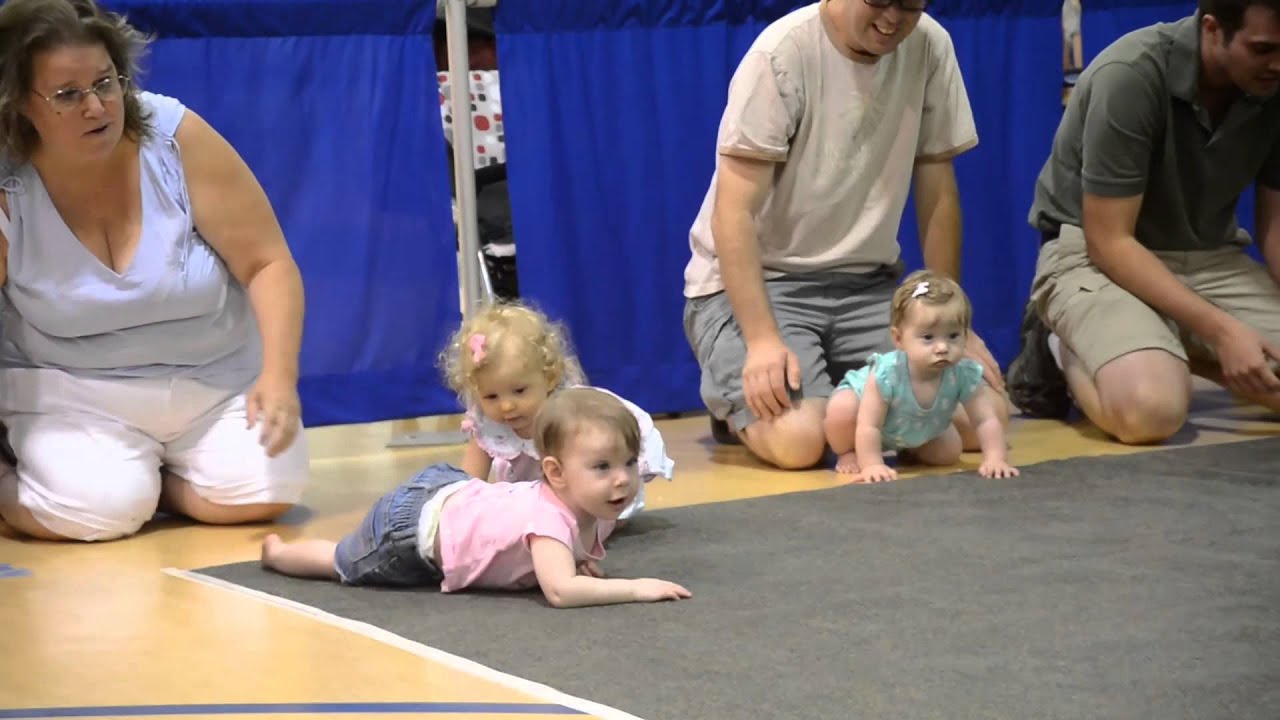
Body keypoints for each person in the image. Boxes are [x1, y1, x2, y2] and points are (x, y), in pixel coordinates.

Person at [0, 0, 310, 541]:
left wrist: (279, 378)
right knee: (93, 515)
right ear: (21, 104)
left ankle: (154, 486)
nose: (96, 107)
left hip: (212, 383)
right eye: (67, 94)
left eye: (105, 83)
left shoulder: (174, 135)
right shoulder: (8, 178)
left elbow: (268, 263)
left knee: (269, 491)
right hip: (71, 393)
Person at [681, 0, 1008, 471]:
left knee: (979, 420)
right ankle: (740, 409)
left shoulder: (931, 44)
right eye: (879, 2)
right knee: (801, 442)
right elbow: (733, 214)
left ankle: (838, 393)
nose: (892, 18)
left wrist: (949, 324)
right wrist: (762, 341)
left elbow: (938, 192)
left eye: (910, 6)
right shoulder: (783, 52)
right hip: (762, 285)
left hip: (866, 284)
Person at [1008, 0, 1280, 445]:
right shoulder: (1131, 73)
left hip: (1209, 259)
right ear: (1213, 29)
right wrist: (1223, 330)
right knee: (1150, 413)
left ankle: (1173, 344)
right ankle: (1056, 346)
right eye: (1263, 49)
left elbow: (1276, 225)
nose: (1277, 64)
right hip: (1096, 255)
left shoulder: (1270, 86)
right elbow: (1110, 241)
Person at [261, 387, 692, 609]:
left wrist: (576, 557)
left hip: (450, 494)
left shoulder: (584, 504)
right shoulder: (550, 518)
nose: (621, 480)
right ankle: (281, 554)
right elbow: (560, 591)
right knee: (342, 562)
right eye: (602, 468)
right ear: (555, 473)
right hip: (410, 532)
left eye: (628, 464)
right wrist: (634, 588)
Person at [439, 301, 674, 519]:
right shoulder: (487, 424)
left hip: (593, 487)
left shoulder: (568, 413)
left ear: (549, 378)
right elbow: (468, 482)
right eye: (491, 396)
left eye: (519, 391)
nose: (506, 405)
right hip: (537, 496)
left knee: (590, 517)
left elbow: (596, 462)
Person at [823, 270, 1018, 482]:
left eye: (953, 335)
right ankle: (846, 451)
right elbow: (869, 425)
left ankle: (910, 450)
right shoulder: (887, 373)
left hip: (916, 428)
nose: (942, 347)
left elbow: (985, 420)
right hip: (864, 419)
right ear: (898, 339)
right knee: (841, 409)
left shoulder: (963, 373)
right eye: (928, 338)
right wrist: (872, 465)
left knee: (948, 454)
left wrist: (995, 458)